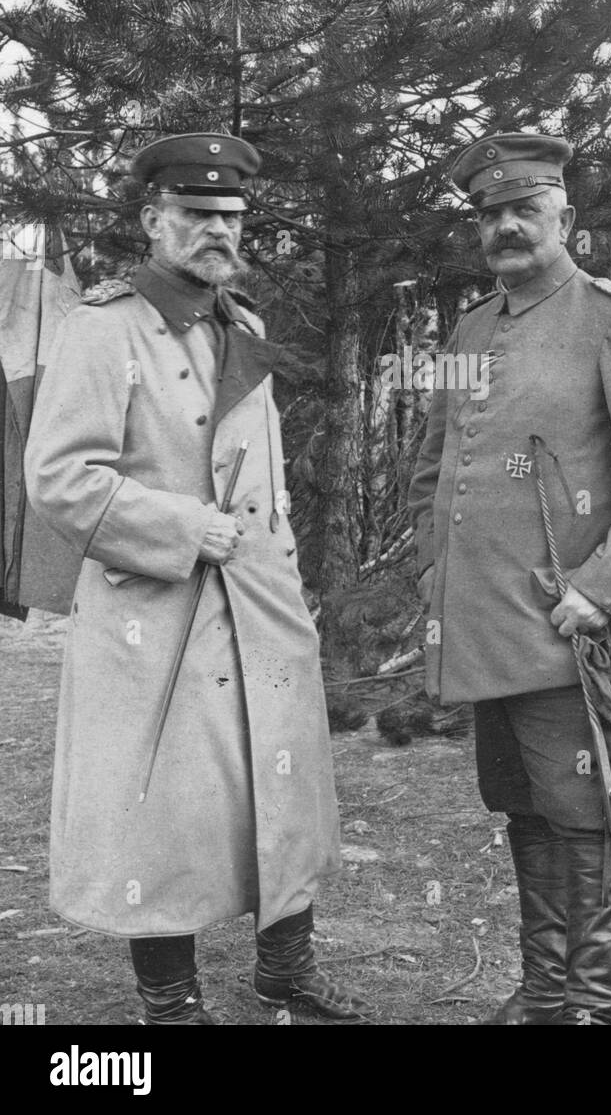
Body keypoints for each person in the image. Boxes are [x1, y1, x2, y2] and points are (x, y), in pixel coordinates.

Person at [25, 133, 369, 1025]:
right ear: (153, 221)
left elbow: (264, 476)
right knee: (164, 807)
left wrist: (284, 579)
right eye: (197, 215)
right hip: (157, 607)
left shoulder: (241, 324)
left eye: (230, 217)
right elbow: (61, 475)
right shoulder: (101, 329)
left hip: (258, 602)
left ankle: (285, 974)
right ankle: (170, 1003)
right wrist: (181, 526)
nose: (217, 232)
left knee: (281, 782)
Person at [408, 132, 611, 1025]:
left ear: (564, 218)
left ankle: (589, 1008)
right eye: (489, 213)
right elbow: (434, 469)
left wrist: (600, 590)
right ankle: (541, 993)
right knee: (526, 811)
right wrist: (434, 573)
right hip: (488, 630)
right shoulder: (469, 327)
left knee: (593, 815)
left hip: (580, 635)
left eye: (523, 209)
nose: (504, 226)